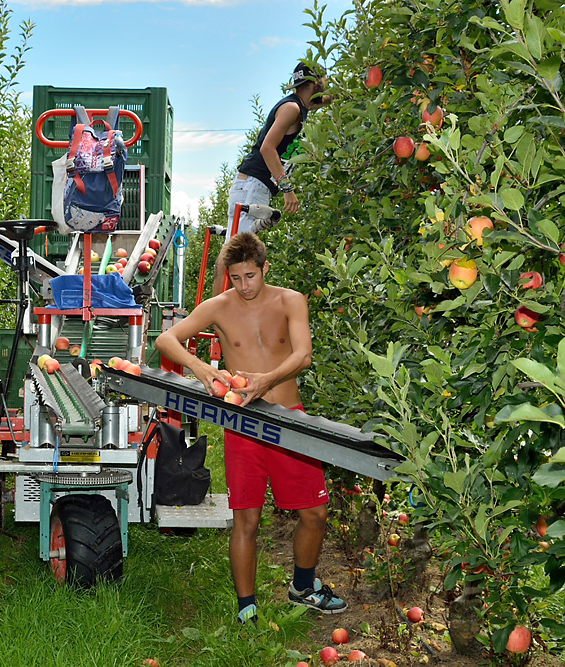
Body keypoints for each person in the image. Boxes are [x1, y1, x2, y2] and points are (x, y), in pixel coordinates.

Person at [156, 233, 346, 624]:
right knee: (247, 520)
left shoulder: (291, 300)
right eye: (236, 278)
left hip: (289, 419)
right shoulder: (219, 306)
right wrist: (201, 367)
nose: (243, 286)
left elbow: (303, 355)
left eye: (250, 276)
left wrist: (267, 381)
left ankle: (303, 588)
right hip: (242, 423)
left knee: (315, 512)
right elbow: (166, 338)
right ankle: (247, 610)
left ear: (265, 269)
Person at [213, 62, 326, 295]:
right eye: (324, 80)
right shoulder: (292, 109)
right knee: (234, 253)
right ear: (315, 82)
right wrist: (287, 189)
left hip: (255, 186)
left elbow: (325, 100)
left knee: (237, 250)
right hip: (253, 185)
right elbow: (267, 148)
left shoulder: (301, 106)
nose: (326, 84)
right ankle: (218, 317)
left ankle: (219, 315)